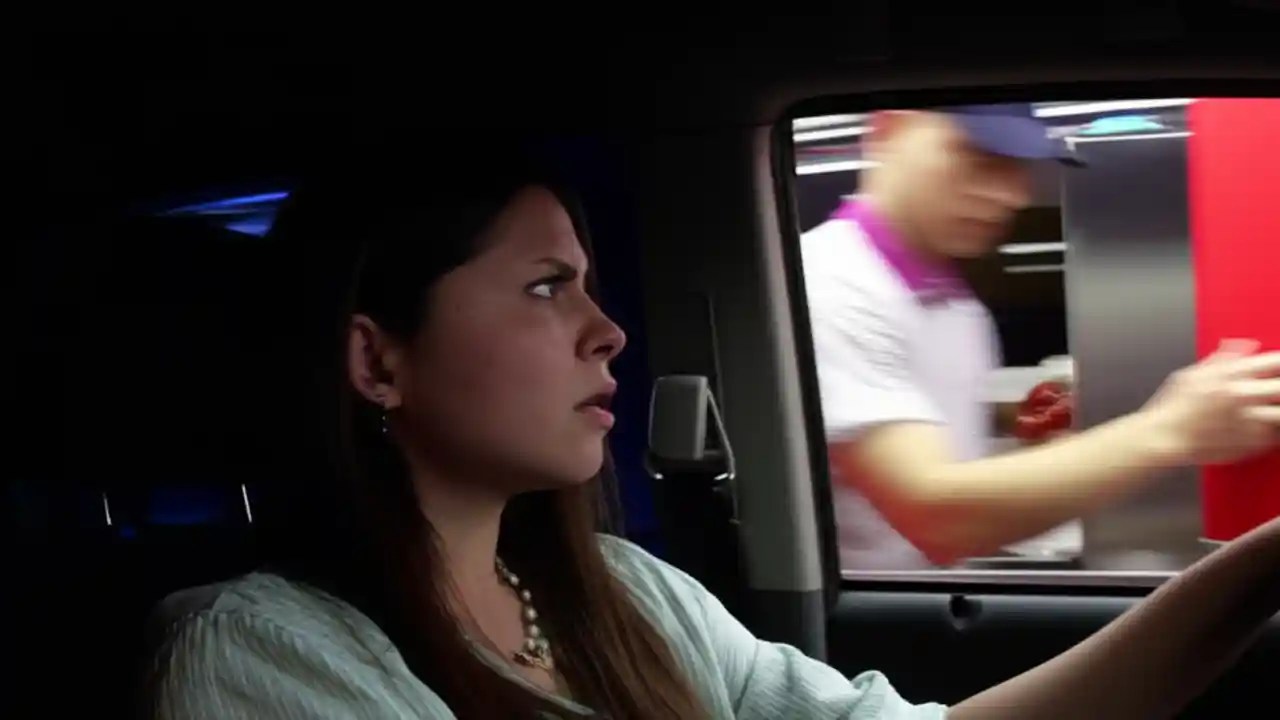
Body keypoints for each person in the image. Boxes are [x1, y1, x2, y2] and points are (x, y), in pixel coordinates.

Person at [144, 141, 1280, 719]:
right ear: (373, 357)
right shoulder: (256, 654)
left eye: (589, 286)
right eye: (546, 288)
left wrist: (1248, 575)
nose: (608, 334)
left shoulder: (626, 593)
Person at [801, 103, 1280, 570]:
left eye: (1016, 168)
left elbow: (913, 430)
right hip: (858, 626)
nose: (1010, 195)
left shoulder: (954, 303)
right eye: (979, 158)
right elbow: (938, 517)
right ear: (889, 129)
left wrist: (1016, 422)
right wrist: (1173, 429)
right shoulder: (833, 282)